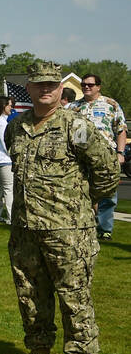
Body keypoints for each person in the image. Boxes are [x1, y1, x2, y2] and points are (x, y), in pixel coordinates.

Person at [5, 60, 119, 354]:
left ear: (60, 89)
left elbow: (107, 170)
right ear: (28, 88)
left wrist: (83, 203)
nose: (45, 89)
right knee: (30, 294)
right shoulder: (18, 126)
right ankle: (39, 352)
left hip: (69, 232)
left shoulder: (76, 125)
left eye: (51, 85)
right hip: (25, 230)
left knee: (75, 296)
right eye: (39, 84)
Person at [71, 72, 126, 241]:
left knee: (107, 195)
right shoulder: (73, 107)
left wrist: (120, 153)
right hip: (80, 158)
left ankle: (104, 229)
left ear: (98, 87)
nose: (86, 87)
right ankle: (83, 225)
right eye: (83, 84)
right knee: (80, 192)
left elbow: (121, 129)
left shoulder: (111, 105)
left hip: (106, 156)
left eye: (90, 85)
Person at [0, 96, 13, 223]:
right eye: (9, 105)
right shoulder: (0, 122)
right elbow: (5, 141)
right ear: (3, 106)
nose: (11, 107)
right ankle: (12, 217)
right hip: (4, 160)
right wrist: (12, 155)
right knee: (8, 189)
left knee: (0, 190)